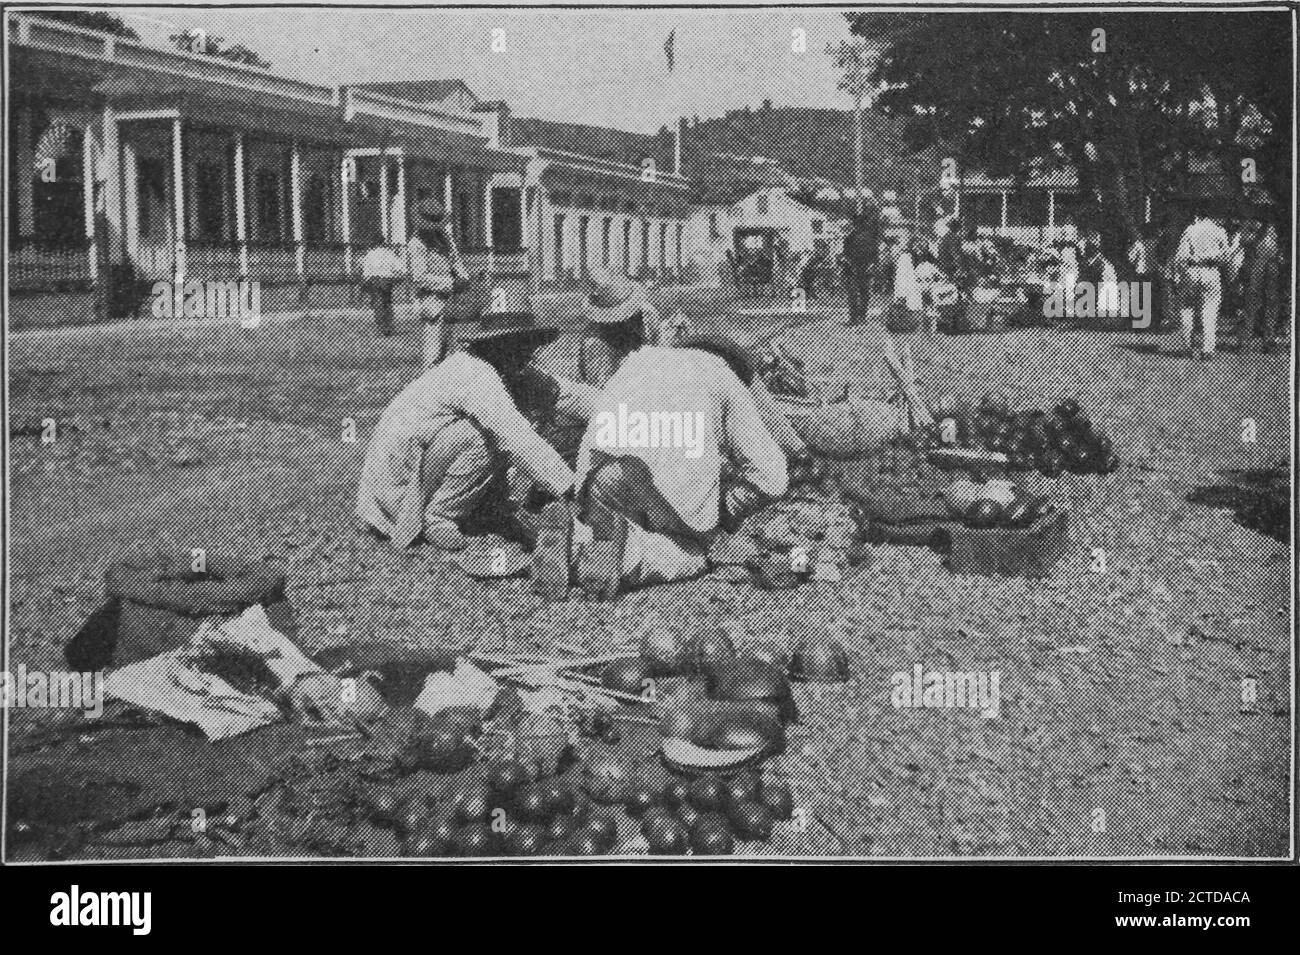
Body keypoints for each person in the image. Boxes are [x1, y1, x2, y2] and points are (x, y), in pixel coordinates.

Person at [356, 305, 594, 555]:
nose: (529, 353)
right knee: (485, 437)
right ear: (498, 346)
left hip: (421, 465)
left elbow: (569, 395)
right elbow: (517, 440)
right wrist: (571, 490)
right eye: (521, 344)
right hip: (397, 485)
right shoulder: (475, 375)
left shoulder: (506, 370)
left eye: (530, 343)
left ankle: (484, 509)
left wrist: (623, 411)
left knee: (502, 425)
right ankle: (439, 517)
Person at [571, 339, 790, 597]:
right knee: (696, 554)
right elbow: (772, 477)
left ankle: (573, 546)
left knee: (610, 524)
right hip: (664, 487)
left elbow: (597, 429)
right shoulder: (723, 376)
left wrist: (580, 492)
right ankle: (629, 552)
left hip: (602, 477)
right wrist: (726, 508)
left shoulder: (639, 360)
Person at [406, 199, 469, 368]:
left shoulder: (446, 239)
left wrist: (464, 278)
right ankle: (429, 382)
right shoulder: (416, 244)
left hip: (452, 299)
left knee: (450, 346)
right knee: (433, 348)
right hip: (431, 300)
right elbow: (419, 277)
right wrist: (450, 283)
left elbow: (456, 261)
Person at [1172, 212, 1238, 359]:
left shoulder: (1190, 229)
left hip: (1191, 270)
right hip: (1211, 270)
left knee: (1186, 309)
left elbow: (1180, 256)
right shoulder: (1219, 231)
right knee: (1210, 311)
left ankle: (1187, 347)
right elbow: (1226, 256)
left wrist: (1177, 277)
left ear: (1197, 215)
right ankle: (1207, 349)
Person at [578, 269, 658, 387]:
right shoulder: (593, 341)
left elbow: (658, 351)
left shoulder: (648, 314)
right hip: (619, 393)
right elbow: (603, 388)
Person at [1240, 219, 1284, 353]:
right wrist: (1256, 231)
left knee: (1271, 303)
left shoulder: (1276, 225)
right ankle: (1246, 343)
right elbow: (1244, 241)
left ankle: (1268, 341)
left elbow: (1282, 244)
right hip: (1256, 263)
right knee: (1251, 303)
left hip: (1272, 264)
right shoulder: (1250, 223)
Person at [842, 206, 881, 325]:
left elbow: (845, 254)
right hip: (862, 269)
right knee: (863, 294)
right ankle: (861, 318)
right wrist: (872, 266)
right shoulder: (869, 238)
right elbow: (876, 255)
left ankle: (856, 318)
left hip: (857, 269)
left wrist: (849, 265)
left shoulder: (850, 238)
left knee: (856, 294)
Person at [359, 244, 404, 336]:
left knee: (377, 304)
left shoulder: (370, 254)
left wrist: (366, 281)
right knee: (387, 303)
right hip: (387, 280)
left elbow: (366, 271)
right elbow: (400, 268)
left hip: (375, 280)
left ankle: (381, 326)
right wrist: (394, 274)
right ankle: (388, 326)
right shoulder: (390, 253)